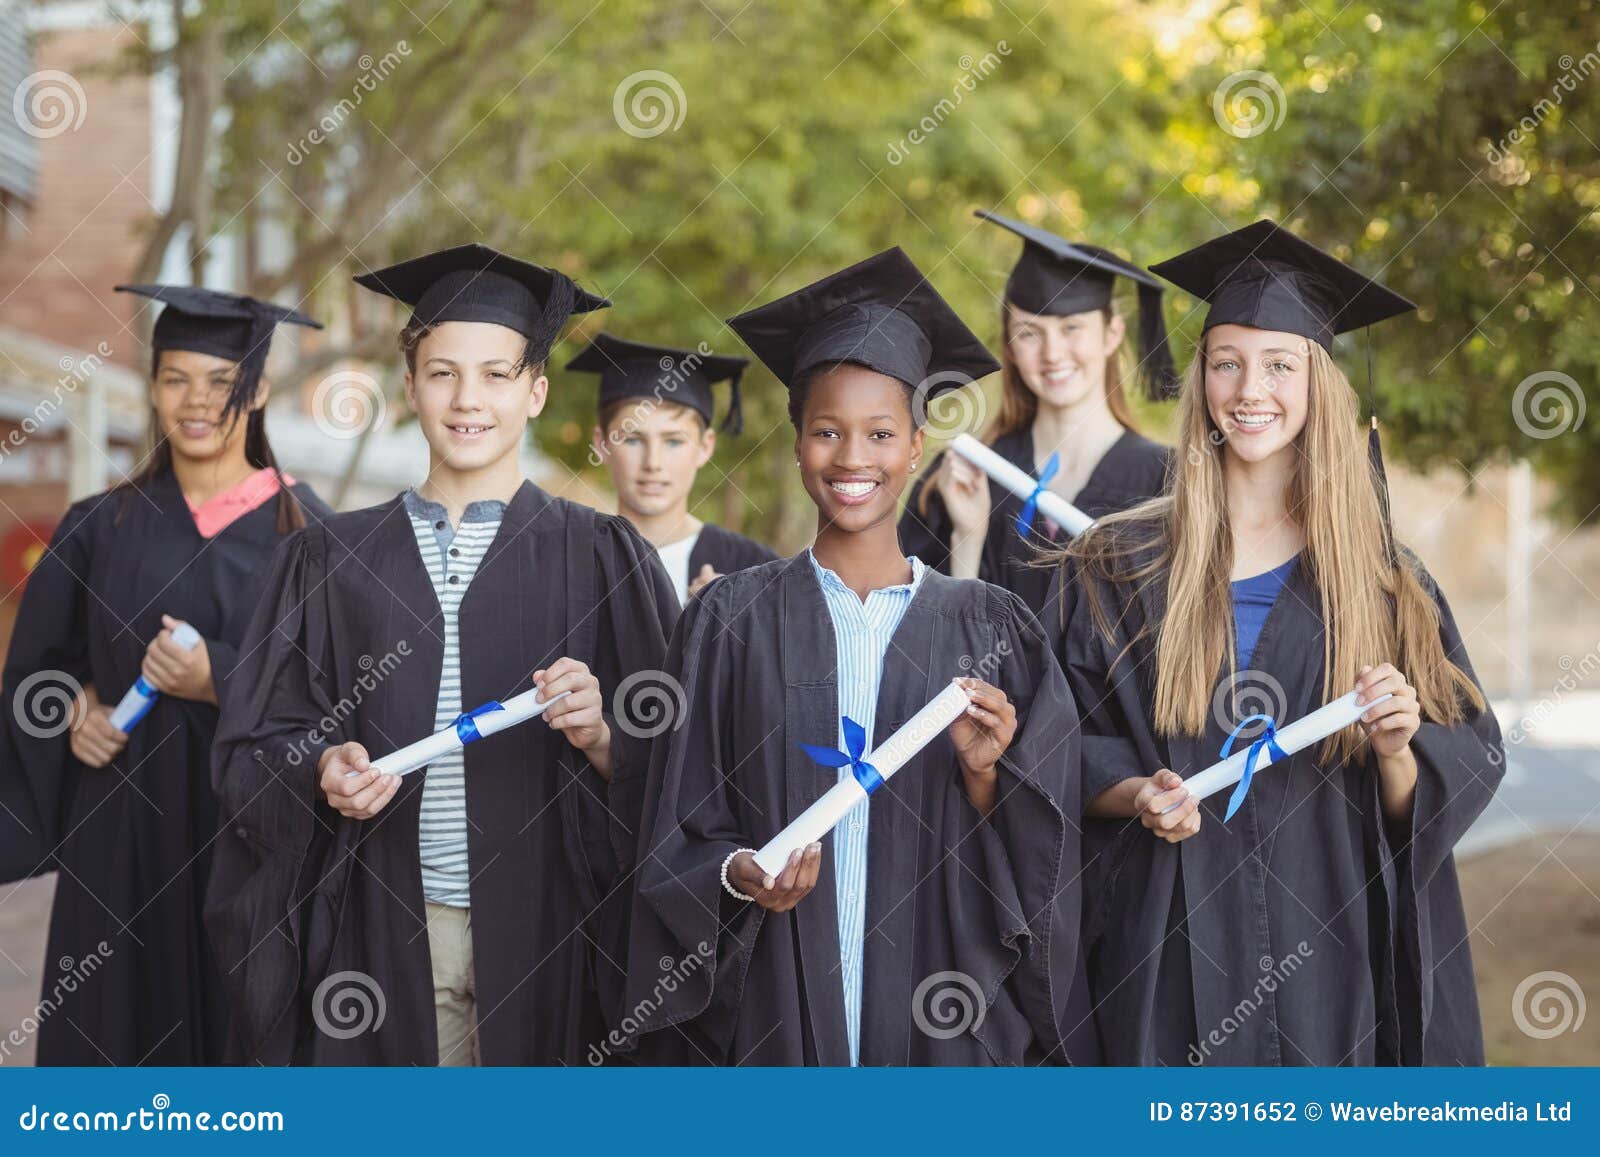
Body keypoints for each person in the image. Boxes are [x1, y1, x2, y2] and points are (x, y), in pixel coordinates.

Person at [1047, 220, 1504, 1065]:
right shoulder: (1114, 565)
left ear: (1319, 383)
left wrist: (1401, 749)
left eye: (1280, 364)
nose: (1249, 387)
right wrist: (1134, 790)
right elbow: (1055, 745)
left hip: (1333, 962)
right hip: (1164, 960)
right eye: (1226, 361)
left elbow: (1468, 757)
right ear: (1200, 379)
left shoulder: (1383, 582)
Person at [618, 248, 1090, 1066]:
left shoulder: (993, 624)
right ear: (798, 444)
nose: (852, 459)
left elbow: (1048, 849)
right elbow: (678, 817)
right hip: (772, 1002)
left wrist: (986, 774)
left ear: (916, 449)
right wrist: (737, 873)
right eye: (826, 431)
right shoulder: (730, 619)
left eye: (880, 433)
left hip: (940, 1011)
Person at [207, 244, 677, 1065]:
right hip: (379, 937)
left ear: (534, 391)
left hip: (552, 942)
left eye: (496, 374)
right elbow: (250, 752)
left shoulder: (601, 555)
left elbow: (688, 761)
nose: (469, 400)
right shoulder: (330, 559)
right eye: (443, 373)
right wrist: (320, 766)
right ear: (410, 384)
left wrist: (603, 733)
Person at [0, 284, 329, 1064]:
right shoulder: (100, 524)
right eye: (176, 376)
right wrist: (72, 707)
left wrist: (218, 675)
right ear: (152, 386)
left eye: (222, 382)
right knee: (107, 1043)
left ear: (259, 392)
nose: (196, 400)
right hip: (116, 843)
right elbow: (36, 672)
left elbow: (339, 693)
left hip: (247, 848)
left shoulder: (309, 533)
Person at [900, 210, 1176, 614]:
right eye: (1030, 333)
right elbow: (919, 636)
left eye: (1071, 328)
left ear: (1112, 333)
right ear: (1010, 344)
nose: (1052, 355)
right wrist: (967, 537)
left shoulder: (1167, 483)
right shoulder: (966, 474)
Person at [572, 332, 776, 607]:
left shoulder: (754, 569)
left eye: (673, 442)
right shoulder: (569, 563)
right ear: (602, 444)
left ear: (705, 447)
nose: (653, 463)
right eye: (632, 439)